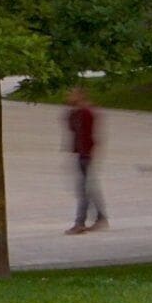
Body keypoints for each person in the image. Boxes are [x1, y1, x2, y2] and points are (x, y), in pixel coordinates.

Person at [65, 85, 108, 234]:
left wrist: (87, 154)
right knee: (88, 188)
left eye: (72, 94)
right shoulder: (77, 113)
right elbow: (71, 128)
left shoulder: (86, 113)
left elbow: (89, 136)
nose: (68, 97)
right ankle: (101, 217)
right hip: (81, 154)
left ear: (80, 96)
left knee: (83, 190)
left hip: (85, 155)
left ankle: (80, 222)